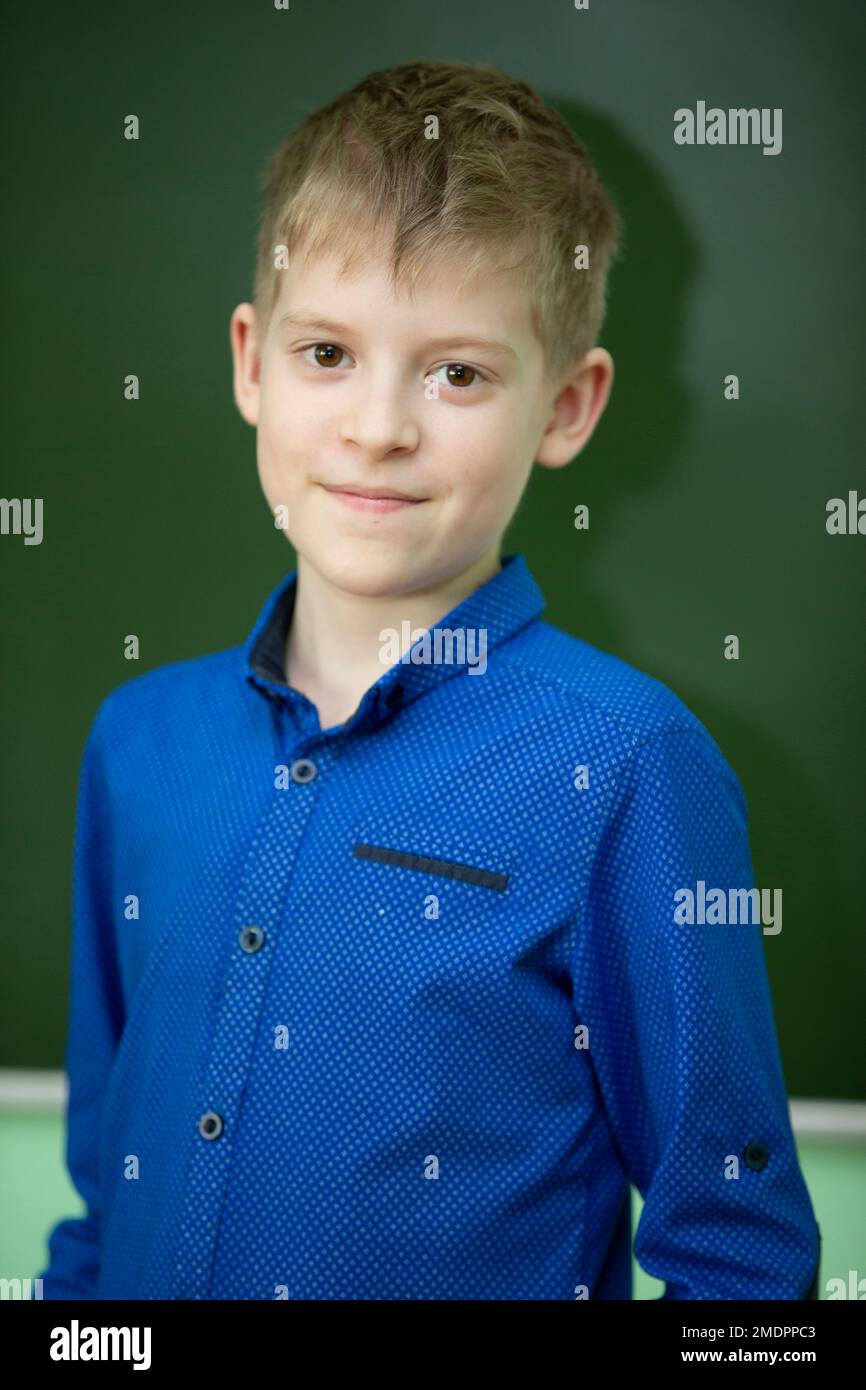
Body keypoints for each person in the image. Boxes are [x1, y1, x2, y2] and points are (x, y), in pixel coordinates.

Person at [37, 59, 820, 1300]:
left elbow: (740, 1264)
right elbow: (100, 1198)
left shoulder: (623, 768)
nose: (378, 427)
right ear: (250, 364)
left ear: (566, 406)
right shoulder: (139, 741)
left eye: (456, 372)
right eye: (327, 353)